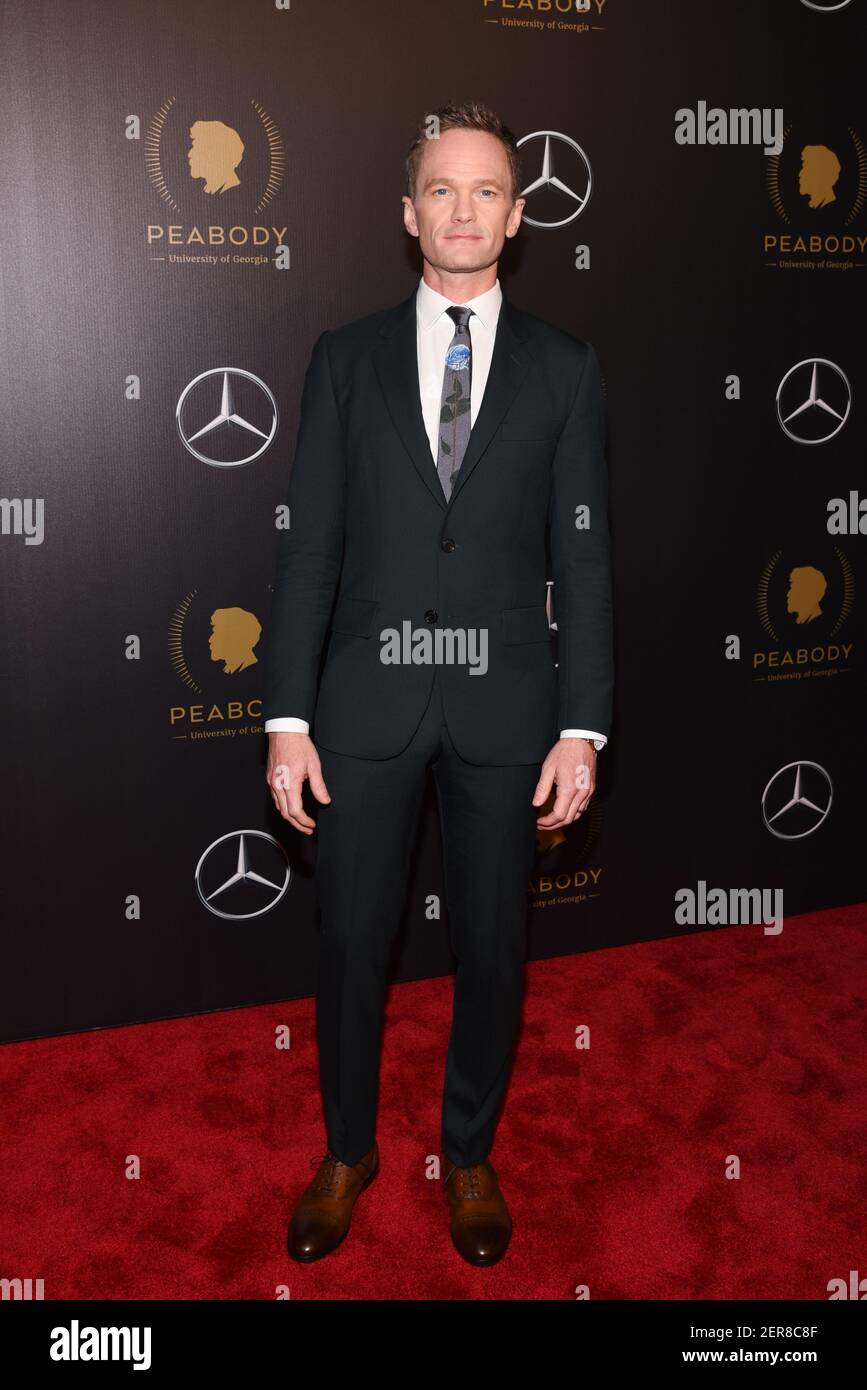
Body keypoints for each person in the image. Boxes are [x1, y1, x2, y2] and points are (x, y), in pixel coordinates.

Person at [263, 101, 613, 1267]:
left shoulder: (567, 368)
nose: (464, 210)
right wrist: (287, 714)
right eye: (441, 190)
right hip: (364, 704)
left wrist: (584, 724)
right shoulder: (343, 357)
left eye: (487, 192)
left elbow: (587, 555)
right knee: (350, 942)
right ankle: (349, 1148)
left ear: (518, 217)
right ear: (407, 211)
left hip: (508, 707)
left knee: (496, 950)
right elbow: (309, 543)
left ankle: (469, 1151)